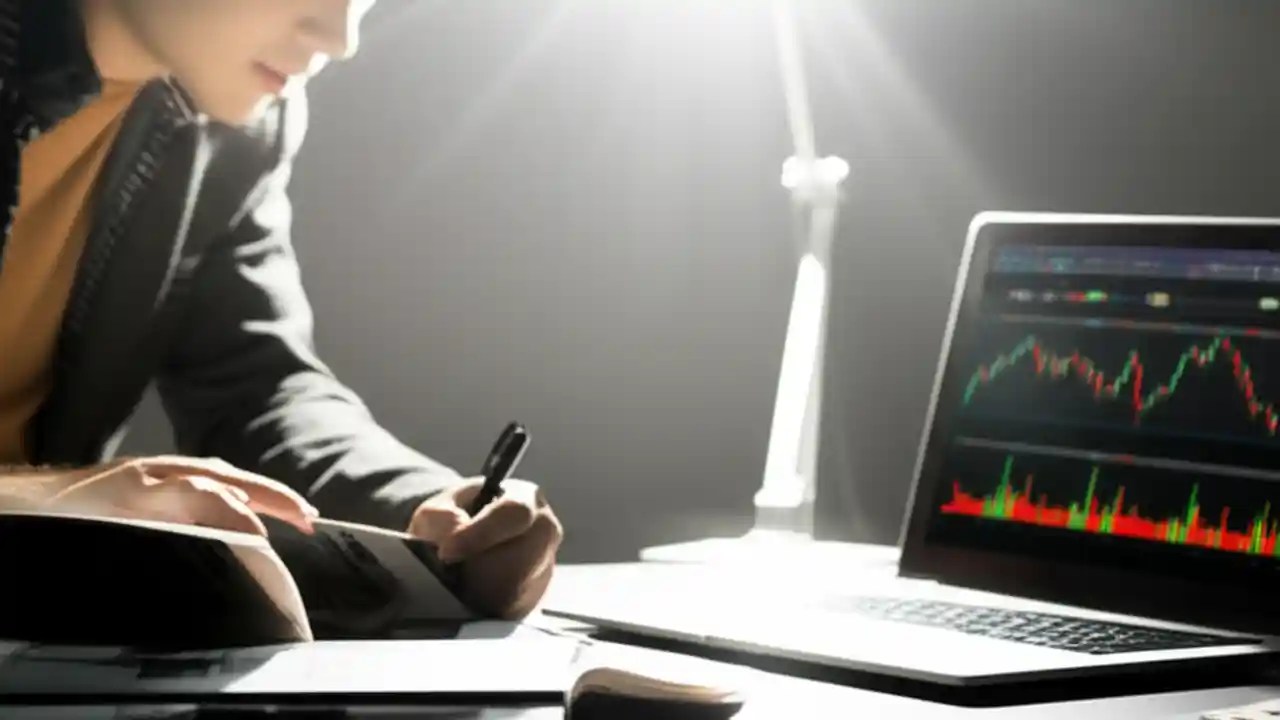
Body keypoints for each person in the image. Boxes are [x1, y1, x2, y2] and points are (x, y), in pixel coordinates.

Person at [0, 0, 562, 620]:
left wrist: (430, 514)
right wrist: (44, 499)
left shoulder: (233, 124)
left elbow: (258, 390)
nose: (342, 37)